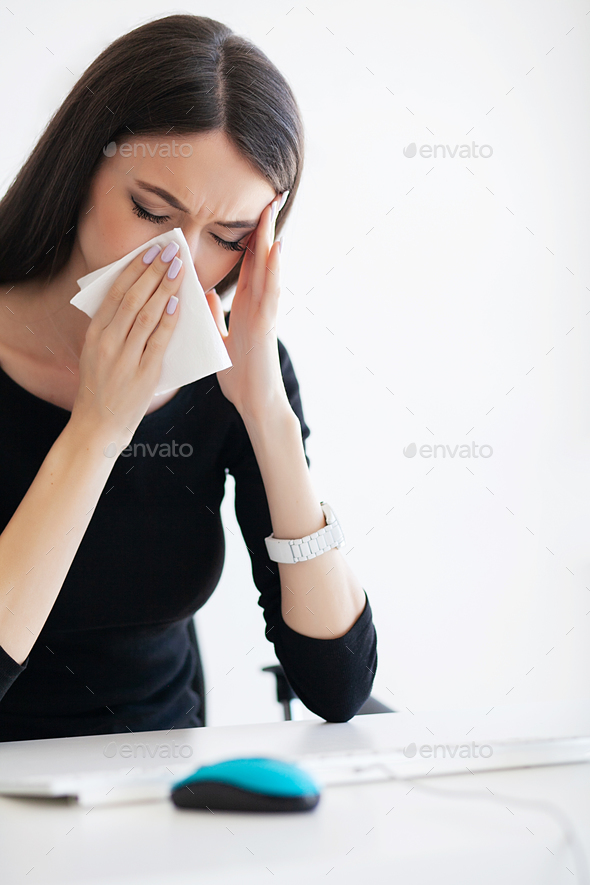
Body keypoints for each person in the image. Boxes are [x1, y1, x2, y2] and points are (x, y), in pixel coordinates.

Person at [0, 13, 378, 741]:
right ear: (80, 171)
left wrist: (267, 412)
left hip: (161, 798)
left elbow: (338, 687)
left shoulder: (235, 376)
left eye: (228, 239)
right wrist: (98, 431)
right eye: (149, 210)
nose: (181, 262)